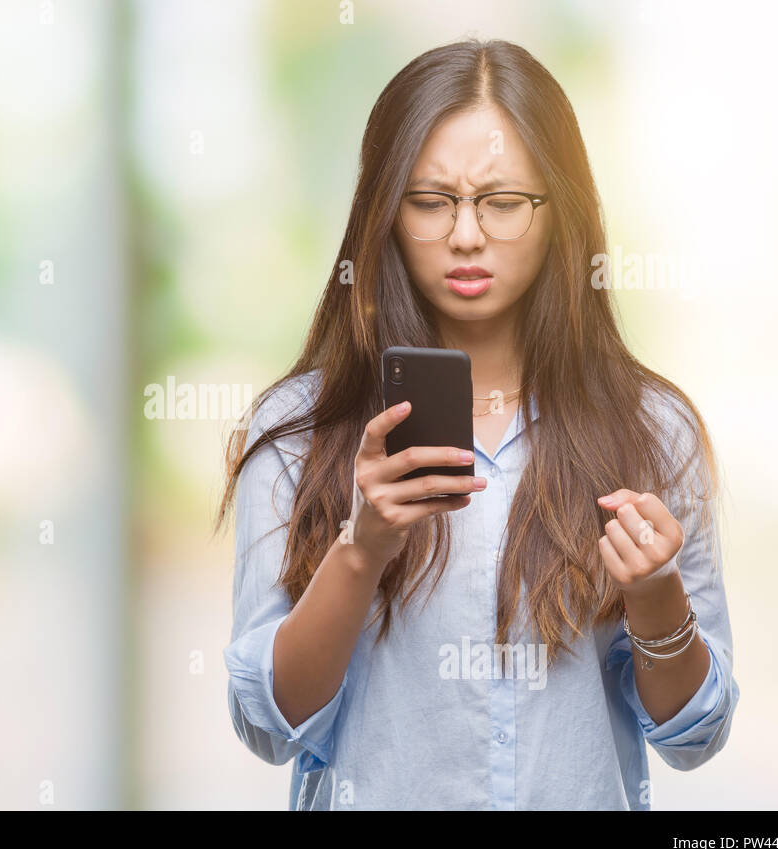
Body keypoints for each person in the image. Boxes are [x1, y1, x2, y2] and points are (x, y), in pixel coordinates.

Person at [217, 39, 738, 810]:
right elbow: (269, 727)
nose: (465, 234)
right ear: (383, 212)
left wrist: (656, 594)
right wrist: (361, 553)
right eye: (430, 202)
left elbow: (693, 736)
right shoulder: (298, 430)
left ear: (562, 211)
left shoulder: (653, 431)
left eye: (501, 202)